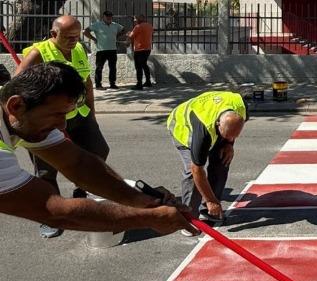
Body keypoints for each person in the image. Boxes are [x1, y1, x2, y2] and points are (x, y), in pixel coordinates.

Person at [0, 62, 196, 236]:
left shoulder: (28, 120)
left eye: (65, 115)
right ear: (16, 105)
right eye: (56, 115)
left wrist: (140, 199)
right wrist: (148, 217)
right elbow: (54, 211)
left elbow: (79, 164)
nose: (62, 126)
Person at [17, 15, 111, 238]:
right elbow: (16, 84)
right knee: (46, 170)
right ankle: (50, 217)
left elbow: (86, 83)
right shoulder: (38, 53)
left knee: (99, 151)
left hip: (79, 115)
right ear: (53, 34)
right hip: (48, 122)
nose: (74, 41)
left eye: (77, 36)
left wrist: (93, 115)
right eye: (68, 37)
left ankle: (81, 188)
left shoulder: (78, 49)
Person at [167, 91, 247, 236]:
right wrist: (211, 200)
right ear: (218, 125)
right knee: (192, 173)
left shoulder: (240, 107)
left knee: (222, 160)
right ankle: (188, 218)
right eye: (228, 135)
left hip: (215, 125)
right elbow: (197, 169)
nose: (232, 138)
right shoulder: (202, 132)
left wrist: (229, 144)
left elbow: (232, 131)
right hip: (182, 129)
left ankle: (209, 211)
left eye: (235, 135)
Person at [83, 10, 124, 89]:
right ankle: (98, 84)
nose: (109, 18)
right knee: (99, 67)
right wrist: (94, 39)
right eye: (107, 16)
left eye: (110, 17)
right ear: (103, 17)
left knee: (113, 67)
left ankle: (112, 84)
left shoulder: (115, 25)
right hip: (101, 50)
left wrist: (117, 36)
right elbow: (85, 31)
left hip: (112, 49)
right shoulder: (97, 25)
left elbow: (123, 30)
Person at [127, 14, 153, 90]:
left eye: (135, 19)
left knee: (138, 67)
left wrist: (128, 34)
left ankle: (139, 84)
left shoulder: (138, 27)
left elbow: (130, 36)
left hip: (139, 49)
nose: (134, 21)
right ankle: (148, 82)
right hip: (147, 49)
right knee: (144, 65)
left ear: (138, 19)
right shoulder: (149, 26)